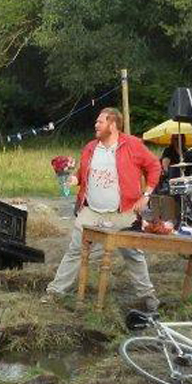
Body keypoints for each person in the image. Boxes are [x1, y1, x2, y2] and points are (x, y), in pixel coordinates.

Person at [45, 107, 161, 310]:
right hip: (91, 211)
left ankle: (147, 296)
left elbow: (154, 166)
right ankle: (55, 292)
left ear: (113, 125)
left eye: (100, 122)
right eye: (97, 122)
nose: (95, 125)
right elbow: (83, 173)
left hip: (123, 212)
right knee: (75, 251)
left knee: (133, 253)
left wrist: (146, 195)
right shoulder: (90, 147)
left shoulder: (132, 145)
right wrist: (72, 179)